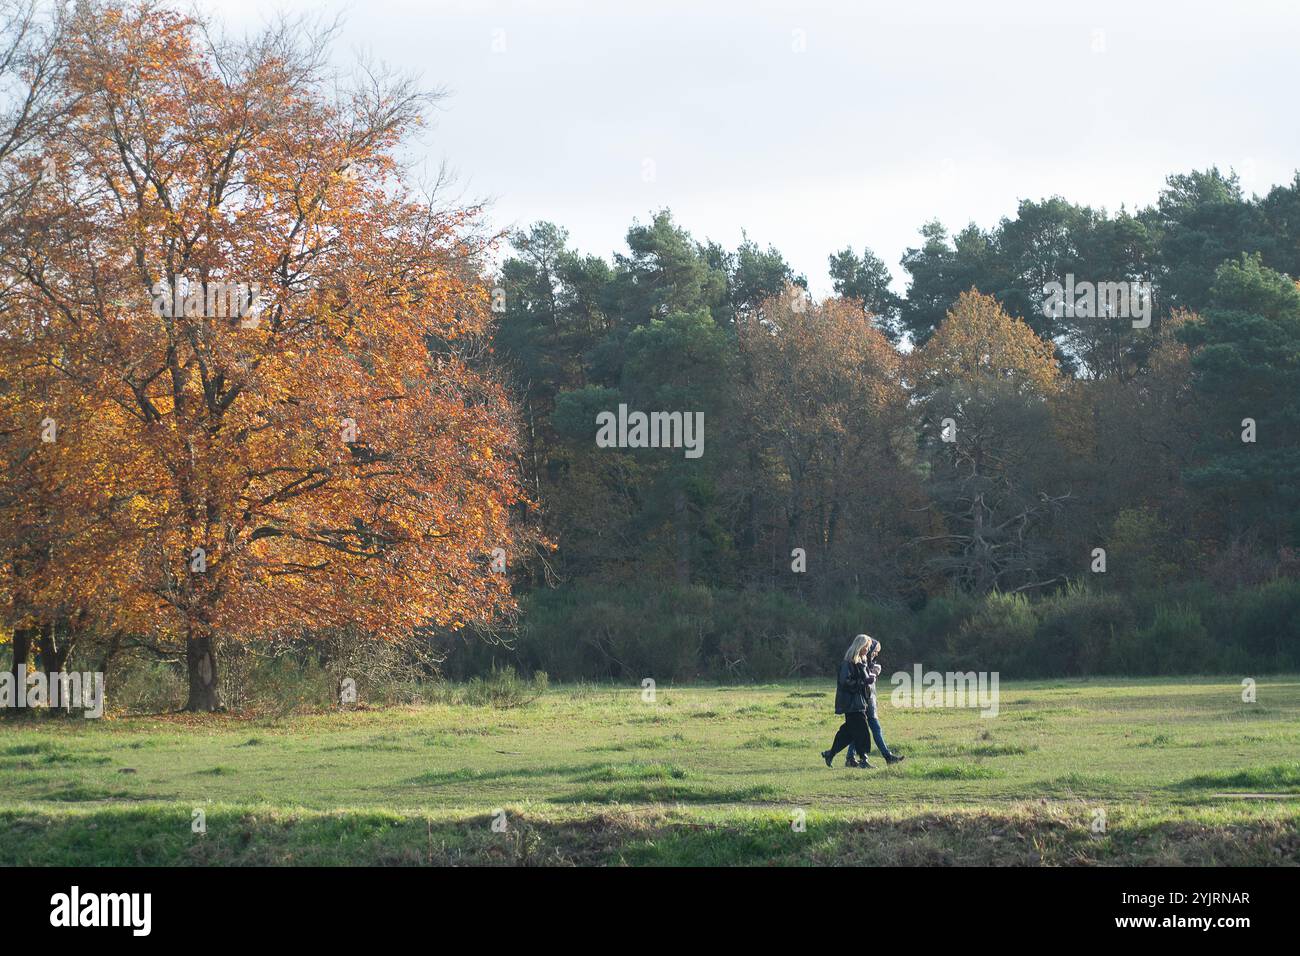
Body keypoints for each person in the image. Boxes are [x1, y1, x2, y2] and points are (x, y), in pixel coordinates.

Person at [821, 634, 877, 769]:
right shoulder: (847, 663)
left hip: (860, 702)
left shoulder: (861, 661)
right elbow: (845, 683)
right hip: (852, 704)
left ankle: (830, 753)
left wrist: (870, 675)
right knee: (862, 731)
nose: (867, 650)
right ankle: (863, 760)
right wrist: (864, 681)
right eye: (866, 647)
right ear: (859, 646)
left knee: (848, 732)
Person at [846, 639, 905, 766]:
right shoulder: (859, 662)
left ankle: (850, 757)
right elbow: (863, 681)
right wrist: (873, 672)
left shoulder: (865, 661)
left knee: (859, 730)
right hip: (865, 702)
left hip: (868, 700)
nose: (876, 654)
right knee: (875, 728)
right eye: (876, 651)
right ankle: (886, 757)